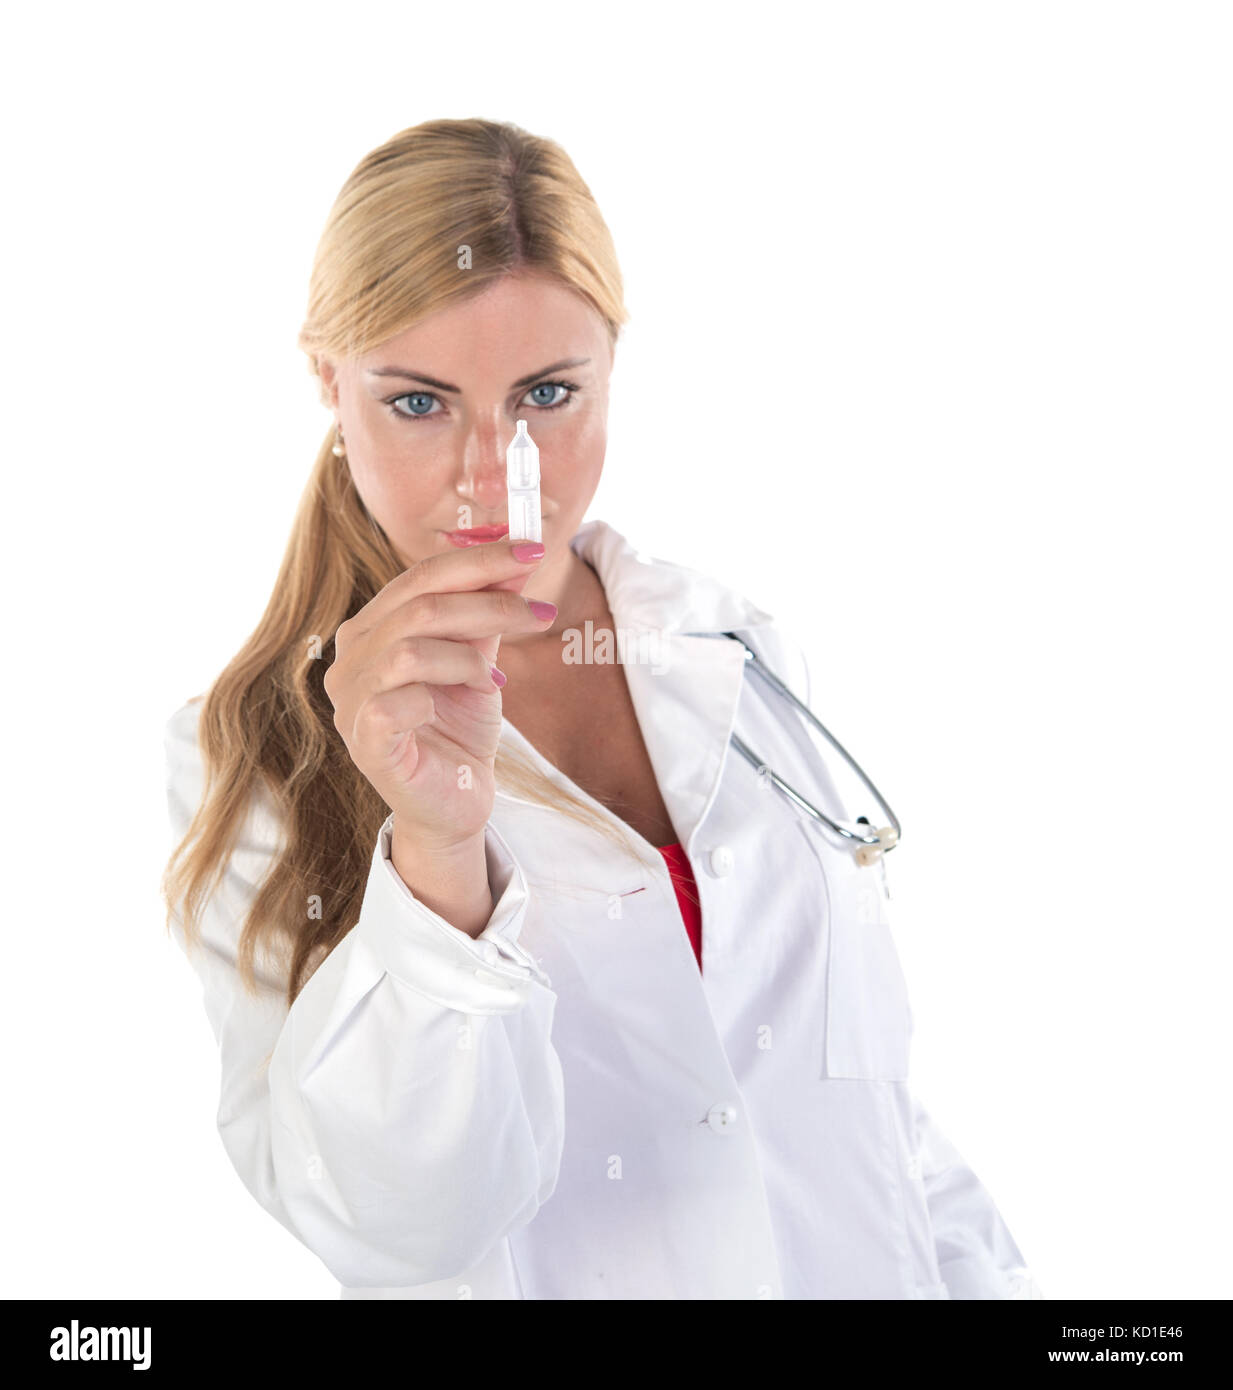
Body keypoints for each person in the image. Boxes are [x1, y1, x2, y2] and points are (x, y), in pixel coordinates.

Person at [162, 116, 1041, 1300]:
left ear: (612, 365)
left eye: (547, 392)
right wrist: (435, 847)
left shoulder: (736, 648)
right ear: (329, 382)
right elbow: (392, 1226)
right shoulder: (257, 759)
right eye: (419, 402)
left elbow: (862, 1105)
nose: (494, 472)